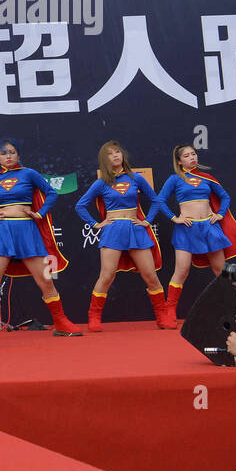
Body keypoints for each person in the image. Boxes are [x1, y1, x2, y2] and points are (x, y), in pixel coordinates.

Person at [0, 139, 82, 336]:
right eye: (4, 153)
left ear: (18, 155)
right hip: (3, 231)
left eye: (12, 152)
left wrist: (40, 213)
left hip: (28, 230)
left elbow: (51, 193)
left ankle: (60, 322)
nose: (8, 156)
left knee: (46, 280)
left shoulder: (29, 173)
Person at [74, 141, 169, 331]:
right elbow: (80, 205)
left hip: (136, 230)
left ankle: (162, 315)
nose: (116, 155)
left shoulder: (136, 178)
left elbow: (156, 201)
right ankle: (94, 316)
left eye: (118, 152)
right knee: (107, 275)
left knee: (150, 275)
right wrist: (96, 224)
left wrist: (147, 221)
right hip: (112, 231)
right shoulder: (102, 183)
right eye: (110, 153)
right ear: (104, 159)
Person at [156, 144, 236, 321]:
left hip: (209, 228)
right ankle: (169, 311)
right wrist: (174, 217)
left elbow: (225, 197)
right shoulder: (175, 179)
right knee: (181, 271)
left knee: (220, 271)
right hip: (186, 229)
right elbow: (159, 201)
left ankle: (233, 307)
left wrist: (220, 214)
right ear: (179, 161)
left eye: (193, 154)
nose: (192, 157)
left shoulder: (207, 178)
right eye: (187, 155)